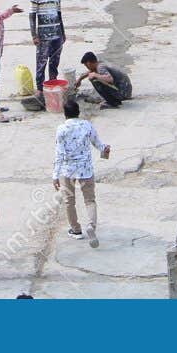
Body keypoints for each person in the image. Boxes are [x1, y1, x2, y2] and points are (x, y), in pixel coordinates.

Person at [53, 97, 110, 247]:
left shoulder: (61, 129)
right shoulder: (86, 125)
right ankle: (91, 225)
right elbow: (98, 143)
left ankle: (76, 230)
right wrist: (104, 149)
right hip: (86, 169)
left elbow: (59, 154)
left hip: (68, 170)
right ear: (78, 112)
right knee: (90, 200)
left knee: (69, 201)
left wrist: (55, 175)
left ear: (65, 114)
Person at [30, 0, 66, 86]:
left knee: (55, 61)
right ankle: (40, 87)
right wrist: (34, 35)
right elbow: (32, 16)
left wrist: (63, 33)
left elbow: (59, 14)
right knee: (41, 62)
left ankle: (53, 83)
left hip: (57, 34)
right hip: (43, 36)